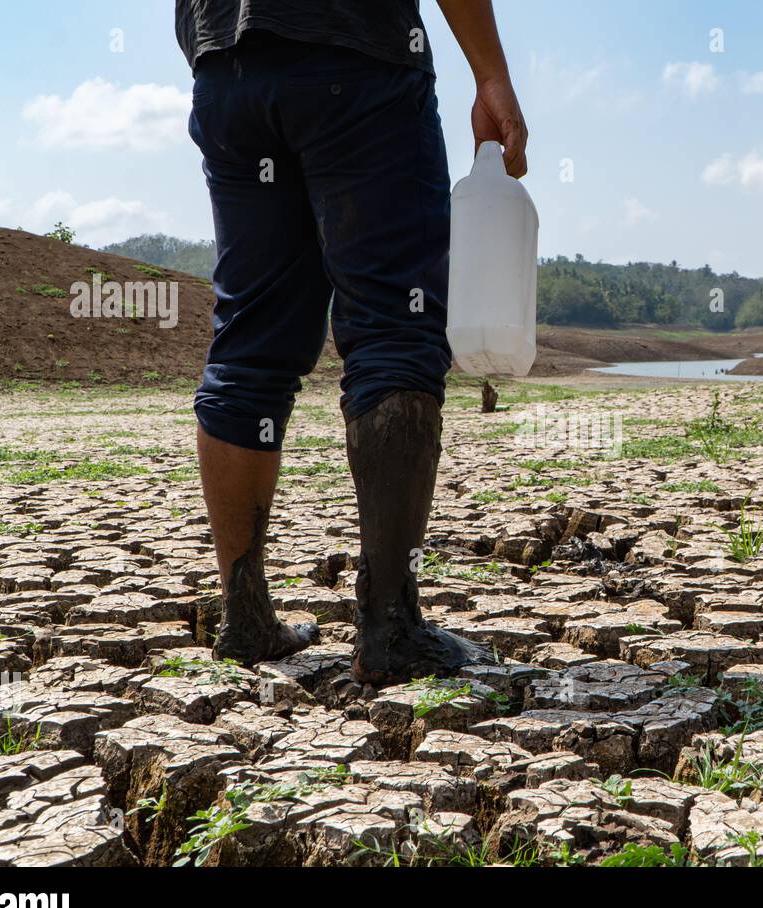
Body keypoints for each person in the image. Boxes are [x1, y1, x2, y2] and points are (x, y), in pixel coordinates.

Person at [174, 0, 529, 683]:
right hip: (357, 53)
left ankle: (244, 617)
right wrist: (490, 74)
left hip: (228, 70)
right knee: (396, 330)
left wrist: (221, 52)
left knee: (249, 345)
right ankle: (389, 626)